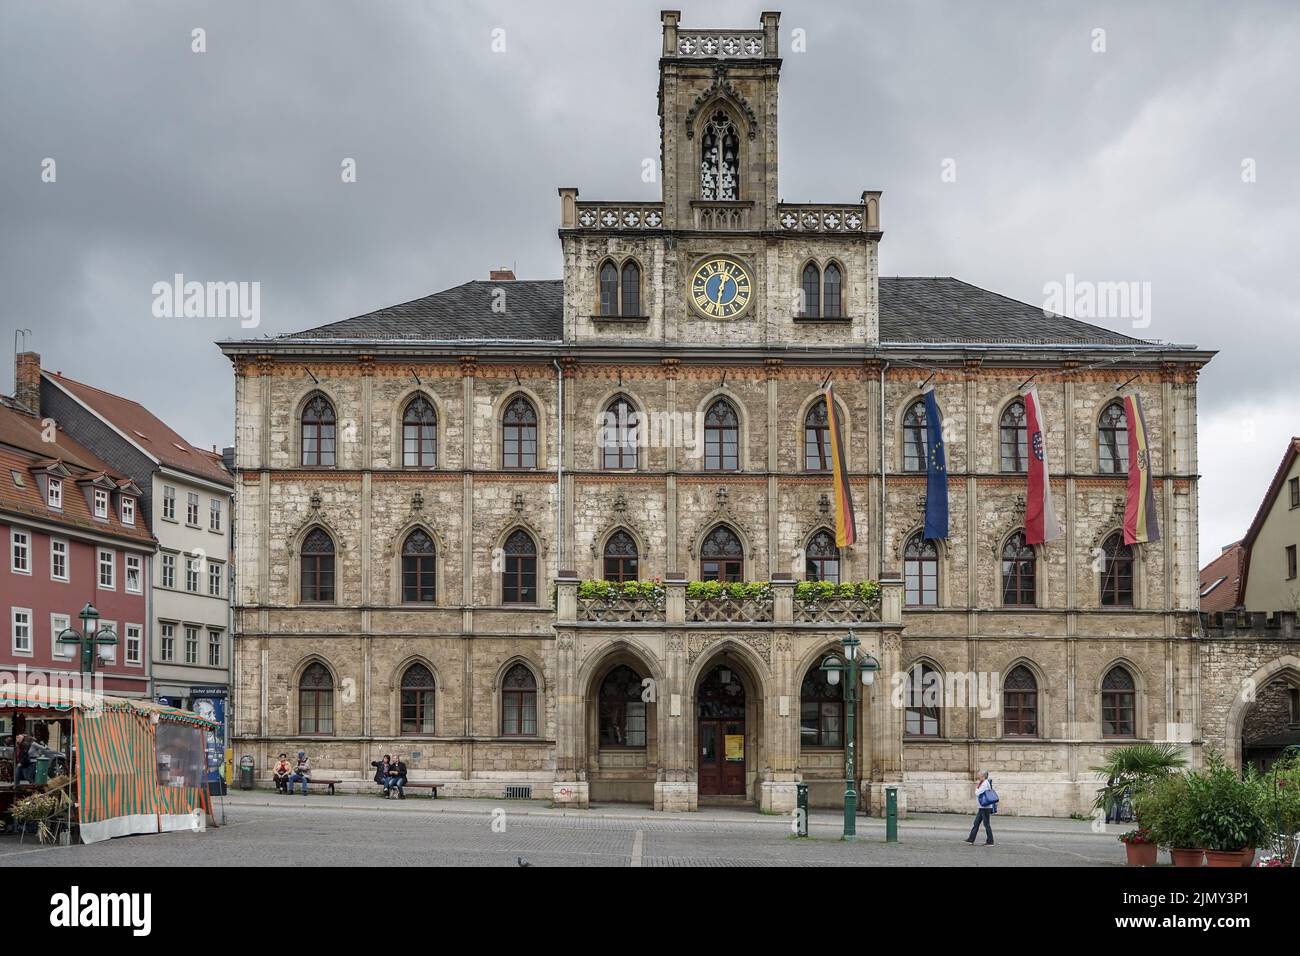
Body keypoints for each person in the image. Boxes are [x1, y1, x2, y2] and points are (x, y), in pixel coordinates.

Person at [964, 770, 996, 846]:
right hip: (982, 807)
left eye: (980, 775)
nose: (978, 776)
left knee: (986, 824)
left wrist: (976, 789)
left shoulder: (985, 783)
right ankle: (971, 839)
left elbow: (977, 793)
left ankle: (990, 841)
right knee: (976, 823)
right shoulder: (982, 782)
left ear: (984, 776)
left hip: (985, 807)